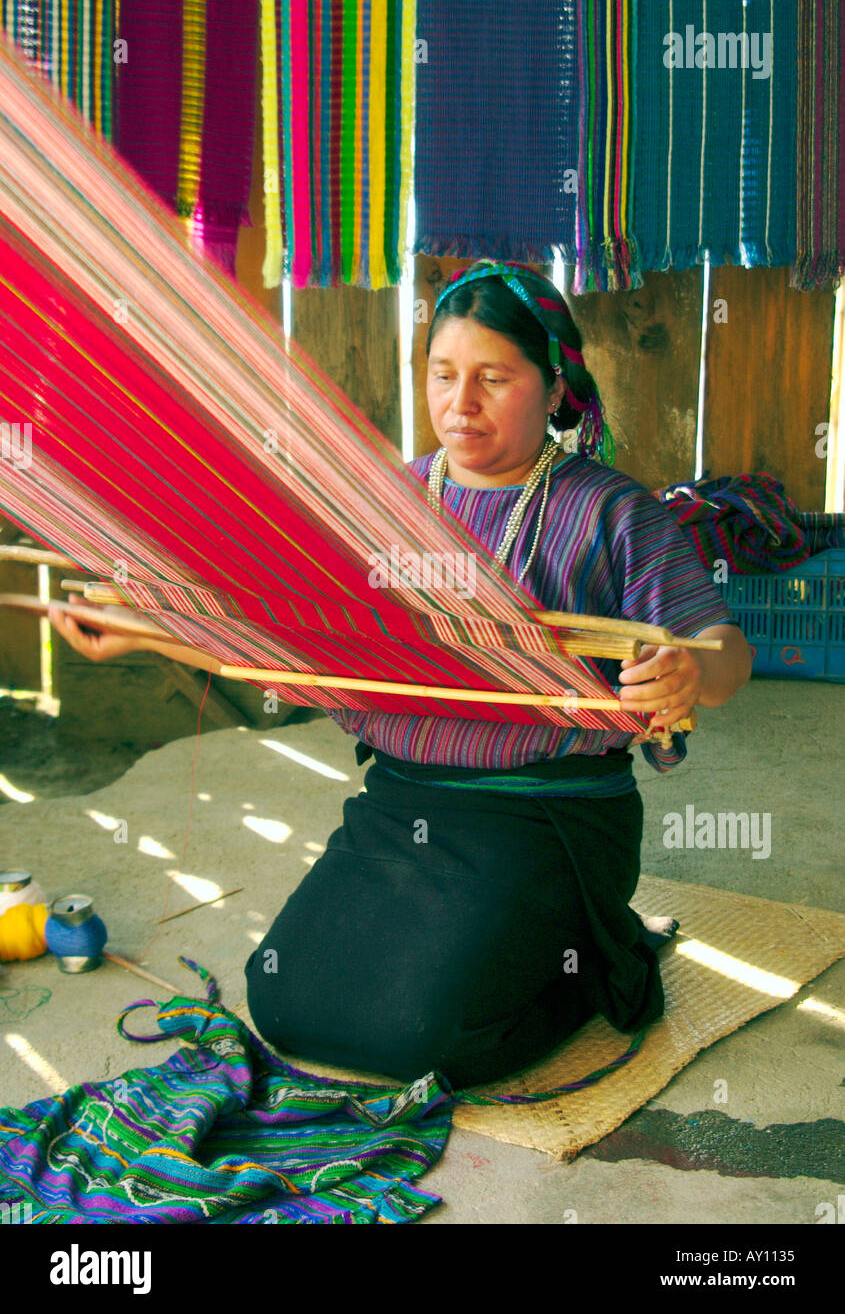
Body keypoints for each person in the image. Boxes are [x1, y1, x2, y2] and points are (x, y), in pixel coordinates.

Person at [49, 260, 751, 1091]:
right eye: (443, 375)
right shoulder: (384, 507)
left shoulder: (608, 510)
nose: (462, 404)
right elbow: (297, 646)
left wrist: (682, 672)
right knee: (280, 996)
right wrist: (144, 631)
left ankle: (601, 963)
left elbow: (722, 652)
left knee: (431, 1034)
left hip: (547, 816)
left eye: (494, 378)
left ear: (555, 386)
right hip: (405, 802)